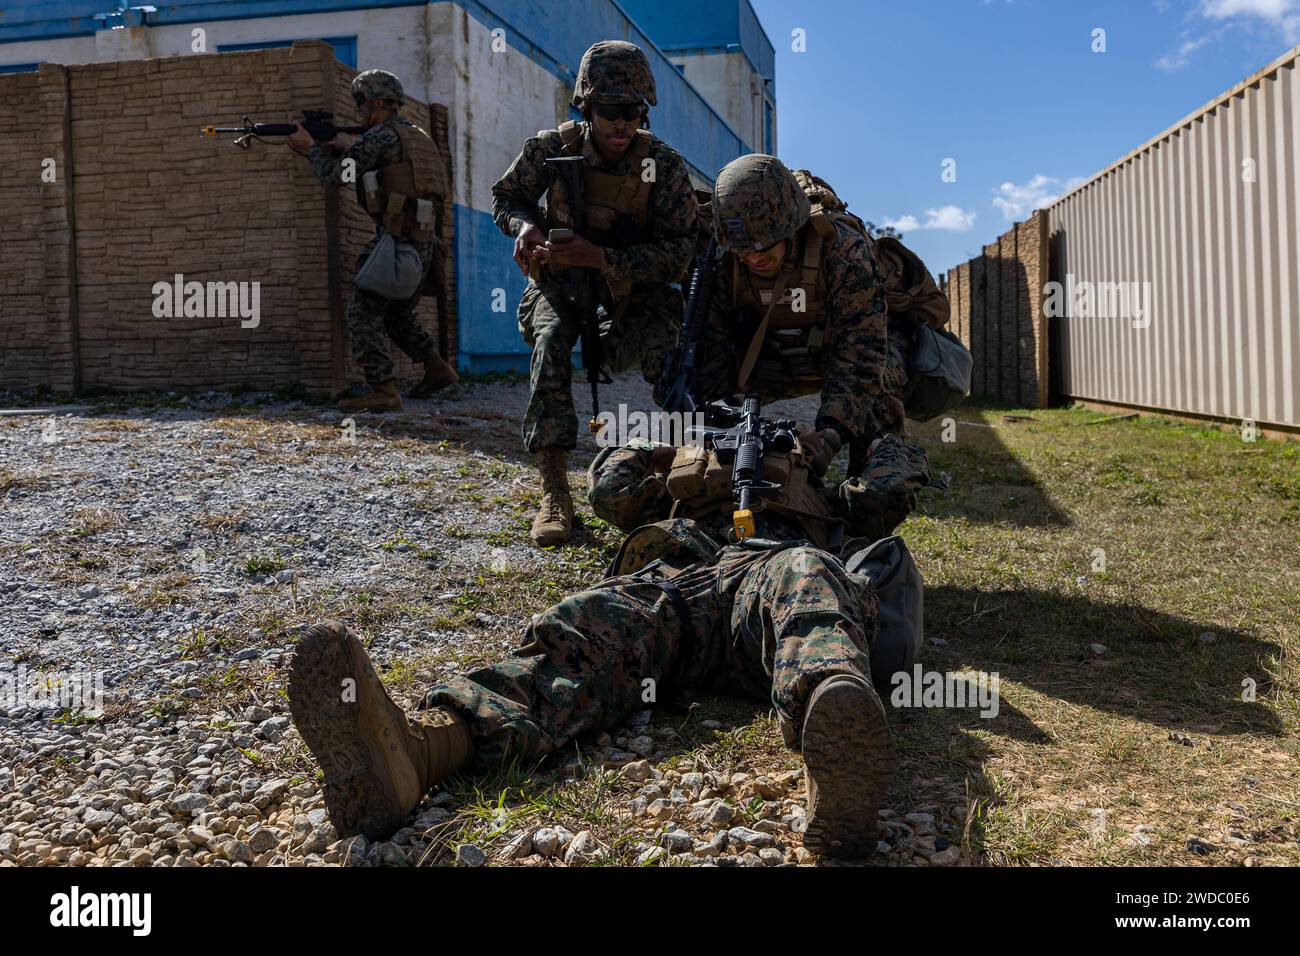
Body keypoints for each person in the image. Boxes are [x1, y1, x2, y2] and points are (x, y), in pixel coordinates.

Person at [287, 423, 930, 860]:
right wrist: (673, 454)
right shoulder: (681, 484)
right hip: (679, 588)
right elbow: (608, 489)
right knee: (585, 622)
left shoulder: (819, 493)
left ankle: (835, 742)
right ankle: (418, 755)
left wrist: (824, 447)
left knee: (809, 580)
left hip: (772, 579)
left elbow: (893, 483)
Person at [491, 40, 697, 546]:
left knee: (671, 360)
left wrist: (605, 259)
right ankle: (555, 492)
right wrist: (524, 227)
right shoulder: (551, 149)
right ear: (587, 106)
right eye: (611, 111)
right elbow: (507, 197)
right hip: (561, 282)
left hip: (635, 289)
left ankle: (698, 472)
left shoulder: (663, 167)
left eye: (633, 111)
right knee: (551, 340)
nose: (622, 124)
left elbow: (681, 252)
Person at [664, 155, 917, 475]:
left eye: (763, 244)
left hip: (841, 354)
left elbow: (861, 355)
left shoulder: (842, 248)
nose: (753, 257)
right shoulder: (722, 257)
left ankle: (873, 488)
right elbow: (711, 354)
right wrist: (714, 426)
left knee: (876, 394)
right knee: (697, 398)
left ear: (790, 227)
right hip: (771, 358)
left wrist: (829, 434)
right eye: (743, 248)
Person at [290, 69, 458, 414]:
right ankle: (437, 369)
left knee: (361, 312)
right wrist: (343, 147)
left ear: (378, 102)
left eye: (362, 102)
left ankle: (383, 390)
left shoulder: (379, 137)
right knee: (397, 315)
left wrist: (310, 150)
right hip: (424, 243)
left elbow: (335, 177)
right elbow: (386, 167)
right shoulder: (417, 137)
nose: (359, 110)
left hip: (398, 241)